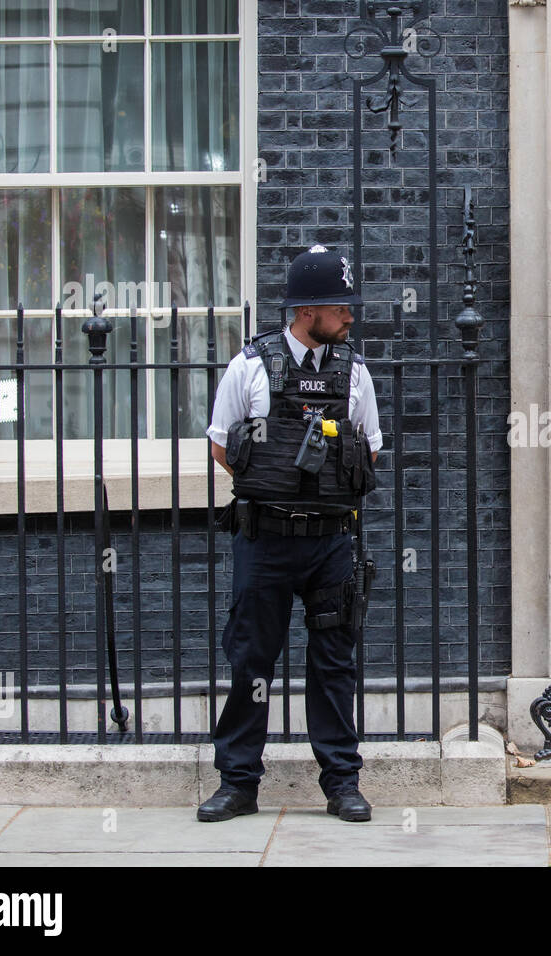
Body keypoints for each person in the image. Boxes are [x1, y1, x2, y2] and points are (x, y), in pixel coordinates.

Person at [198, 244, 381, 823]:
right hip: (265, 540)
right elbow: (222, 447)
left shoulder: (355, 371)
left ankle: (341, 783)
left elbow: (370, 448)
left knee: (333, 662)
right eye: (341, 306)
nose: (349, 316)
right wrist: (279, 485)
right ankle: (238, 783)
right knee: (251, 660)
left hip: (331, 543)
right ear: (308, 311)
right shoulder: (249, 366)